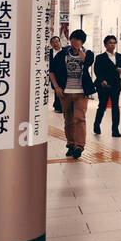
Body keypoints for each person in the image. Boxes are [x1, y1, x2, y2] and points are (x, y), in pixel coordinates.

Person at [50, 29, 95, 159]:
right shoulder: (62, 53)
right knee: (68, 120)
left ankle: (79, 146)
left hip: (81, 92)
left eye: (78, 39)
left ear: (82, 41)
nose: (75, 41)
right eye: (73, 39)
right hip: (65, 93)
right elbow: (51, 71)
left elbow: (87, 62)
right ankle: (71, 144)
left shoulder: (88, 53)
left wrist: (80, 49)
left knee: (80, 119)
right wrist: (57, 87)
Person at [93, 34, 121, 137]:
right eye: (110, 43)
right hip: (104, 85)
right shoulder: (100, 57)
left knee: (115, 107)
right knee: (102, 106)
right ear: (105, 45)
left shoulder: (119, 56)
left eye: (114, 43)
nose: (112, 45)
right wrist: (102, 80)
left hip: (115, 84)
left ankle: (115, 129)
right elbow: (97, 70)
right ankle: (96, 124)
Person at [49, 36, 64, 112]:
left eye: (57, 41)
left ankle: (59, 106)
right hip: (53, 74)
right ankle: (57, 106)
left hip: (64, 74)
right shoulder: (49, 53)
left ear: (60, 42)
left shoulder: (65, 51)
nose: (55, 44)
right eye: (53, 42)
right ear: (51, 44)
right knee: (56, 89)